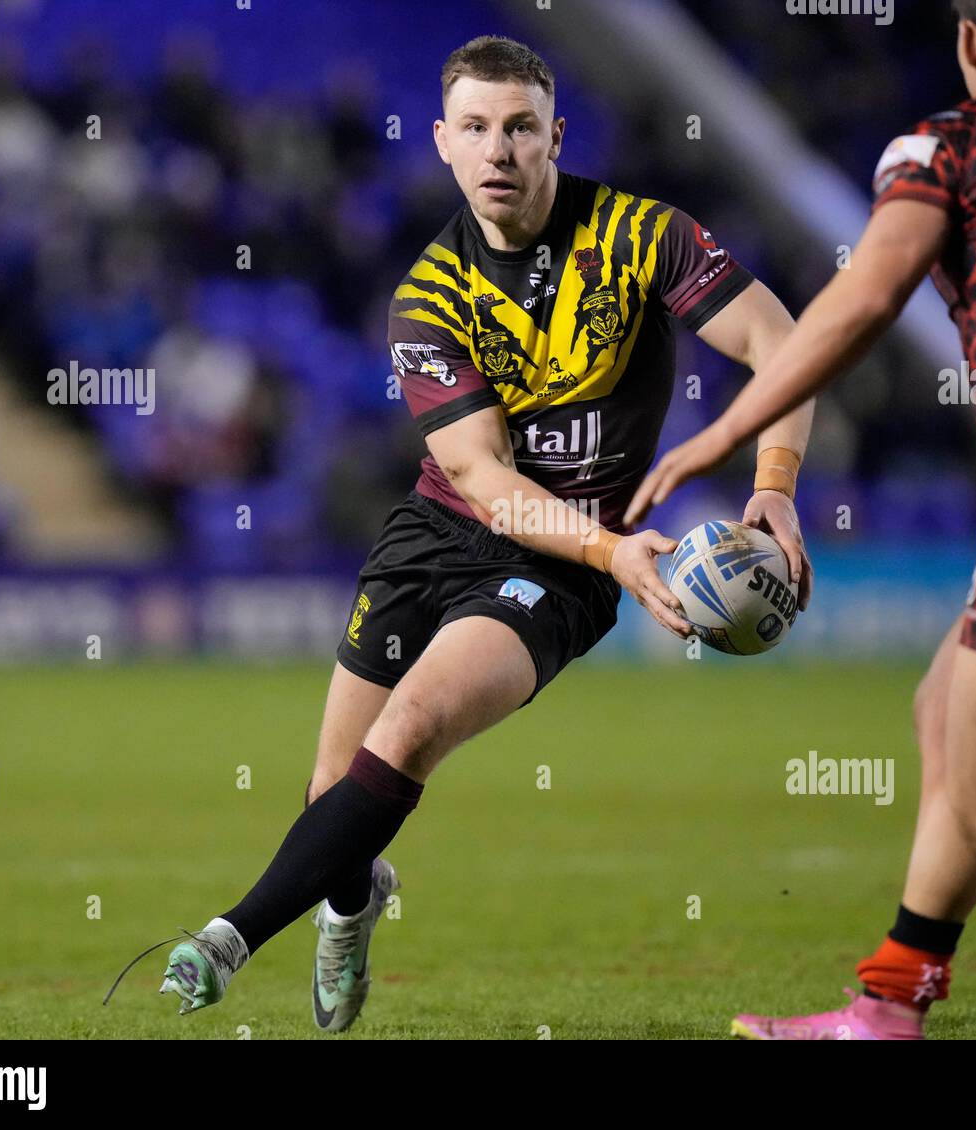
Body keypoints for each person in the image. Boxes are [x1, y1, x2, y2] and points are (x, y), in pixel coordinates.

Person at [137, 35, 815, 1032]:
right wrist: (617, 548)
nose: (498, 149)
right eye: (476, 129)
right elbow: (485, 480)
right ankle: (352, 903)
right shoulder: (427, 295)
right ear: (443, 143)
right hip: (444, 533)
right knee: (333, 796)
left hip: (562, 565)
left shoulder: (641, 235)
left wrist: (776, 485)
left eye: (520, 128)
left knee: (406, 732)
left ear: (555, 135)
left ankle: (223, 938)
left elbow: (782, 344)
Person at [626, 0, 976, 1040]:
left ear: (970, 40)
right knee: (944, 711)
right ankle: (884, 1007)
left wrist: (730, 434)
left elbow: (863, 298)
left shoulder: (948, 143)